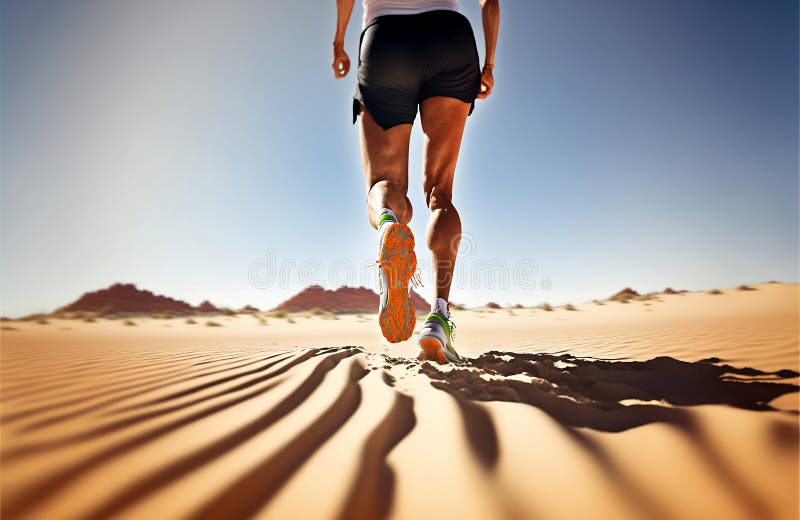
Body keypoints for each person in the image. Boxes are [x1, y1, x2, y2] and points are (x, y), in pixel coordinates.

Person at [332, 0, 499, 363]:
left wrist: (338, 41)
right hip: (450, 39)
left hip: (386, 39)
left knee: (383, 183)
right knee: (441, 193)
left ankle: (390, 225)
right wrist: (487, 64)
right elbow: (490, 2)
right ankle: (438, 317)